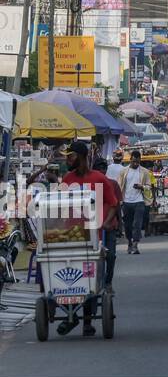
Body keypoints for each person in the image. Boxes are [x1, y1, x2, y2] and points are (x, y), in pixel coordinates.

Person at [60, 141, 121, 336]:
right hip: (74, 235)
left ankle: (87, 320)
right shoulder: (67, 179)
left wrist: (106, 222)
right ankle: (72, 315)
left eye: (71, 156)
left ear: (81, 157)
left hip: (98, 234)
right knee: (72, 276)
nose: (67, 159)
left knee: (92, 277)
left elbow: (113, 204)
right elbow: (59, 206)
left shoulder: (99, 179)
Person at [121, 149, 153, 255]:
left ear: (140, 161)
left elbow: (149, 187)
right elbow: (119, 186)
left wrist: (141, 187)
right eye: (133, 161)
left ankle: (135, 244)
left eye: (137, 162)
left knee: (137, 224)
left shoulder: (145, 172)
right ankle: (129, 242)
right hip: (126, 201)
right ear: (130, 159)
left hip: (139, 201)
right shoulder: (123, 171)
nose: (135, 164)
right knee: (127, 225)